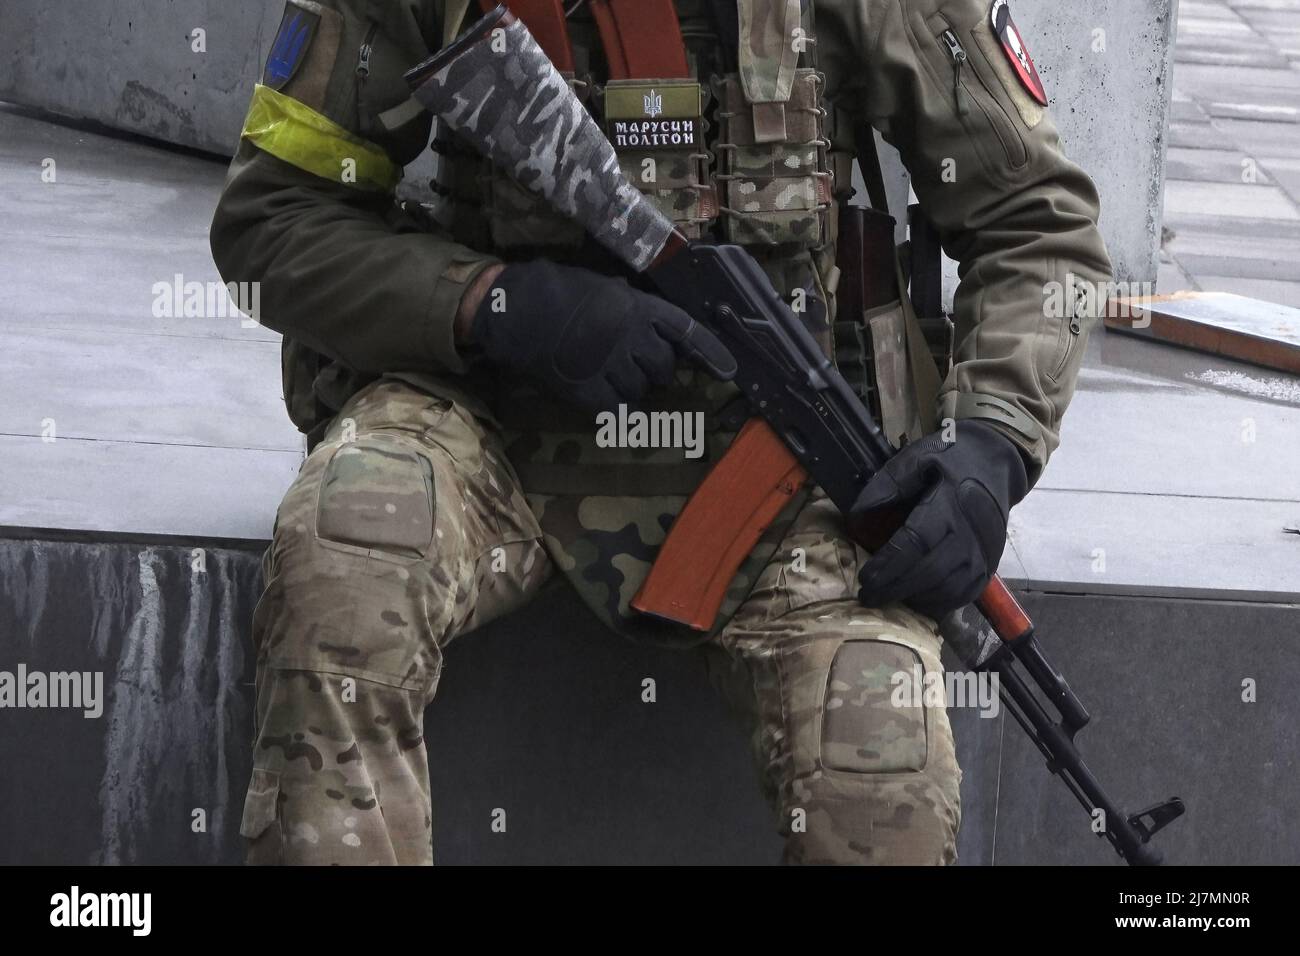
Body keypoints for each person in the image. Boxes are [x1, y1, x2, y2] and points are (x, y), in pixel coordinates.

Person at [211, 0, 1112, 865]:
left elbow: (1037, 222)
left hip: (783, 461)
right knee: (350, 546)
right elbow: (273, 219)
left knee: (881, 753)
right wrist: (491, 302)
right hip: (488, 413)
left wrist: (993, 442)